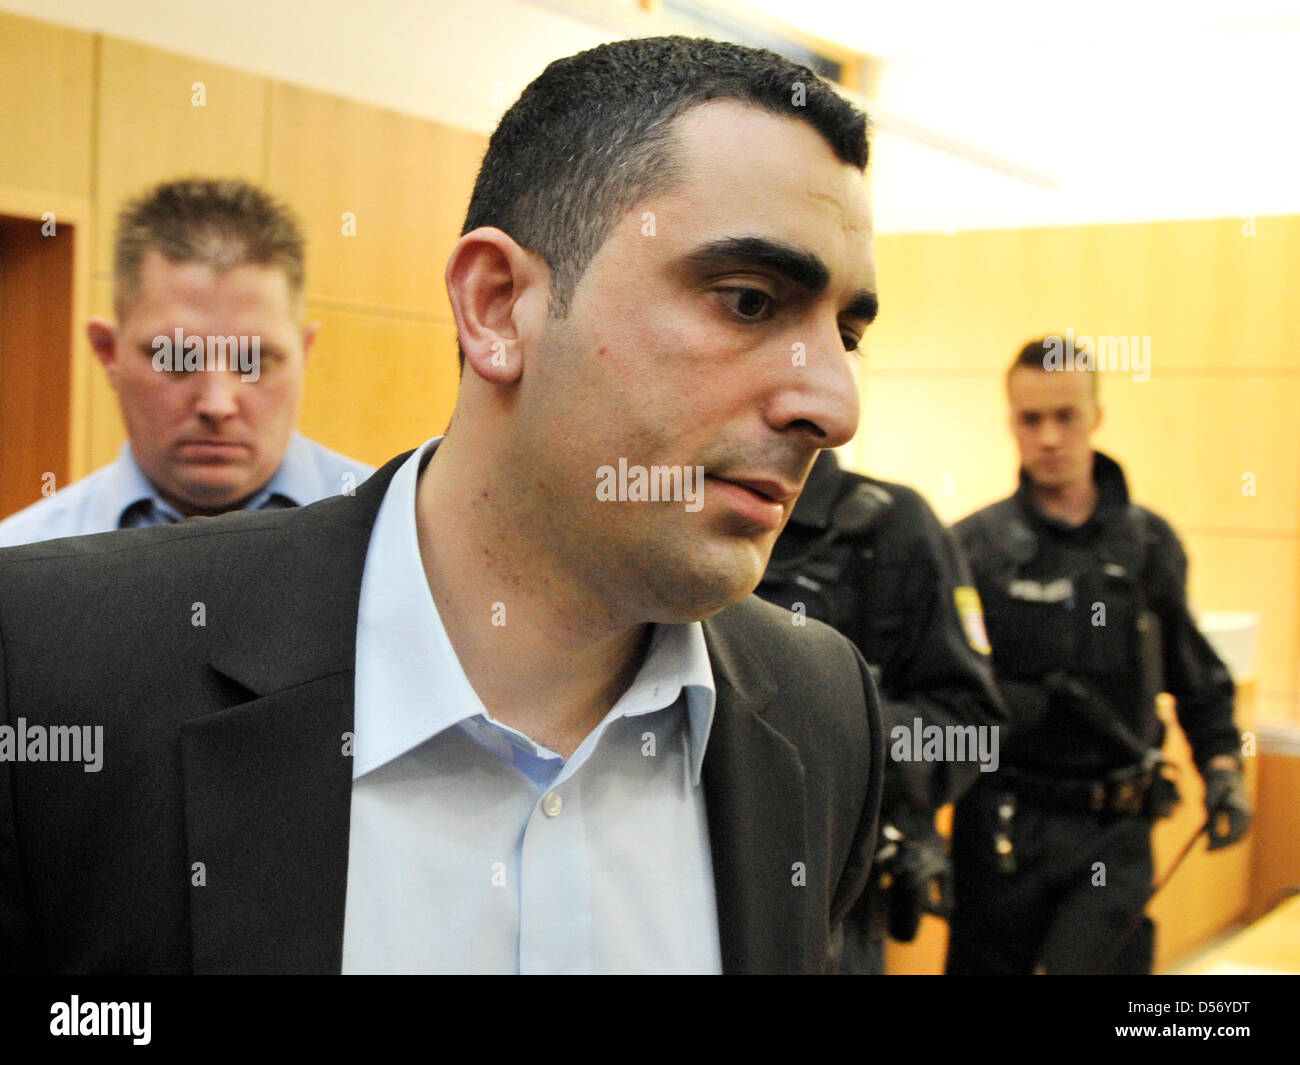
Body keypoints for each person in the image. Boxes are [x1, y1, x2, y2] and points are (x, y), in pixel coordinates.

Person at [0, 37, 883, 974]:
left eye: (850, 334)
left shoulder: (823, 712)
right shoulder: (54, 664)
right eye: (749, 301)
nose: (834, 405)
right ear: (499, 306)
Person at [945, 337, 1251, 975]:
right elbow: (938, 696)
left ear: (1096, 416)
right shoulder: (972, 548)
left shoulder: (1146, 544)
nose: (1050, 437)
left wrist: (1223, 768)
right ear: (1012, 423)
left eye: (1067, 416)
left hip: (1114, 830)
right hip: (1001, 829)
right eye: (1032, 419)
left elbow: (1196, 677)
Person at [0, 178, 373, 548]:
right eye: (176, 359)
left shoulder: (401, 538)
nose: (217, 405)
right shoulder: (19, 566)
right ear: (108, 352)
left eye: (254, 361)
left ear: (304, 353)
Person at [755, 448, 1005, 973]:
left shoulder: (895, 526)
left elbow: (970, 728)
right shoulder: (676, 509)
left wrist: (844, 729)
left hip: (834, 903)